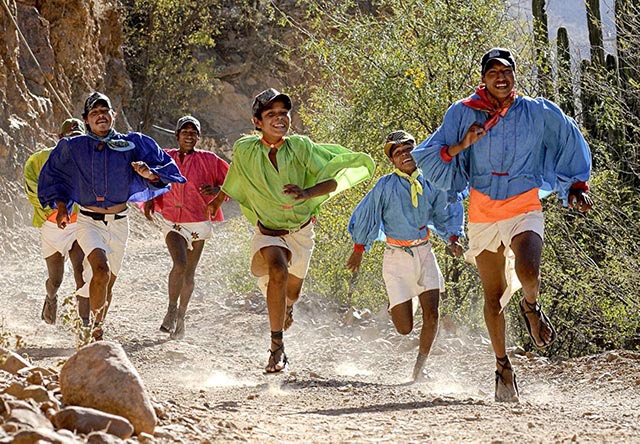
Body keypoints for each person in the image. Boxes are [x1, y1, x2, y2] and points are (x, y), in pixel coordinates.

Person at [413, 48, 592, 402]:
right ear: (483, 78)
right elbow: (432, 154)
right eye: (493, 71)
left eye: (506, 71)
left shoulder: (537, 111)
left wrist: (575, 186)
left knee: (529, 271)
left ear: (514, 76)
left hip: (523, 203)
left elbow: (569, 139)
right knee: (492, 297)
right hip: (482, 210)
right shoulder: (462, 113)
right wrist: (464, 143)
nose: (500, 77)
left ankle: (530, 304)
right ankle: (502, 366)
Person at [207, 88, 375, 373]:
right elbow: (236, 177)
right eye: (270, 114)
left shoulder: (300, 147)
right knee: (277, 269)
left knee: (292, 293)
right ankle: (276, 347)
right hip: (267, 232)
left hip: (301, 232)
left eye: (283, 113)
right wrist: (219, 199)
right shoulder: (245, 150)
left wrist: (307, 192)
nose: (279, 119)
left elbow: (332, 182)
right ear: (257, 121)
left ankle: (286, 306)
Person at [38, 92, 186, 340]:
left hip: (119, 223)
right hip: (88, 221)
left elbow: (166, 168)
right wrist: (62, 205)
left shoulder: (133, 145)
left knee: (107, 285)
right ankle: (93, 332)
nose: (100, 116)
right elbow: (55, 176)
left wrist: (149, 174)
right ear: (86, 120)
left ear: (113, 115)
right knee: (101, 271)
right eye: (94, 113)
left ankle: (95, 322)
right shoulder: (74, 147)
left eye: (104, 111)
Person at [346, 130, 464, 381]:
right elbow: (367, 214)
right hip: (396, 257)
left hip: (424, 252)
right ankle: (399, 303)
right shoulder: (385, 186)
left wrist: (453, 238)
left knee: (432, 314)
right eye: (397, 152)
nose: (405, 155)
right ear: (392, 160)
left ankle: (419, 370)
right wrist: (359, 248)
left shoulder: (431, 181)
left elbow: (446, 209)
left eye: (408, 148)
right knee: (404, 328)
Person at [144, 116, 229, 339]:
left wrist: (218, 191)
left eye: (194, 133)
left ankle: (181, 317)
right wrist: (151, 200)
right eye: (185, 132)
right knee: (179, 264)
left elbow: (233, 181)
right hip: (173, 220)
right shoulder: (166, 157)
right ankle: (171, 309)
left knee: (189, 272)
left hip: (198, 222)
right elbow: (153, 179)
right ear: (177, 135)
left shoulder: (209, 160)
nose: (189, 136)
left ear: (199, 137)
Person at [24, 118, 89, 326]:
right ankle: (50, 298)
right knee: (56, 279)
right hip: (52, 227)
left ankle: (84, 326)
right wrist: (50, 208)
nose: (73, 141)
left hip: (80, 224)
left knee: (81, 271)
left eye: (78, 137)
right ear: (60, 138)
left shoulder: (89, 159)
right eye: (69, 137)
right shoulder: (41, 159)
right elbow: (31, 183)